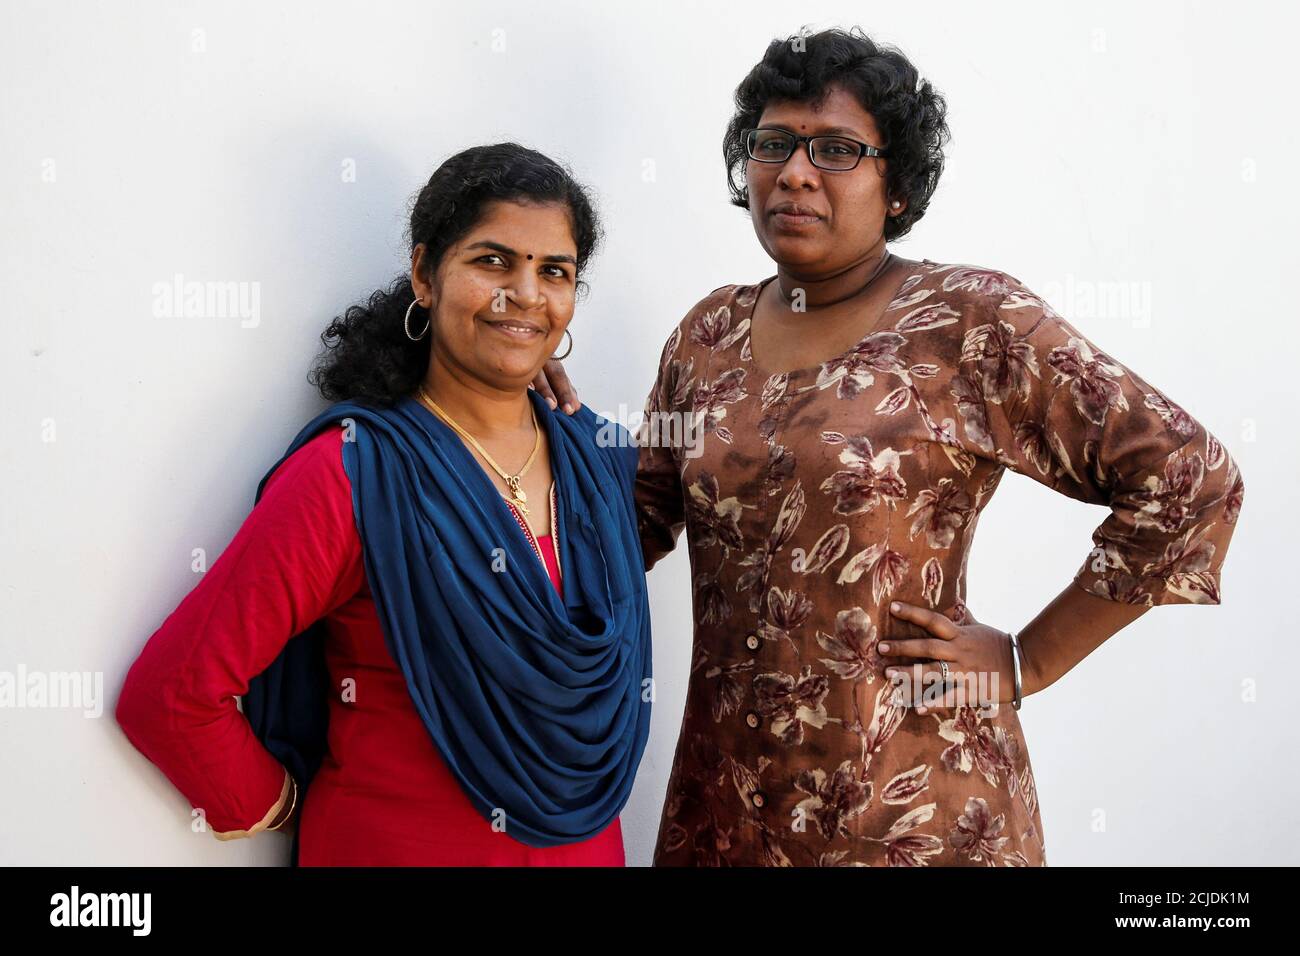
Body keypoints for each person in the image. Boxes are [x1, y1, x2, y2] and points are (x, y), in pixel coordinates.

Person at [532, 27, 1245, 866]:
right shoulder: (709, 332)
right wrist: (532, 423)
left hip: (914, 808)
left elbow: (1190, 479)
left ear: (897, 185)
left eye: (836, 149)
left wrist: (1027, 660)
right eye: (773, 144)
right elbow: (637, 520)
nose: (795, 172)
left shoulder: (967, 321)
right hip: (728, 808)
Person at [116, 143, 653, 866]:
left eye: (553, 271)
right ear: (426, 275)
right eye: (492, 261)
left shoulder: (600, 460)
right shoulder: (353, 475)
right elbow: (173, 694)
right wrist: (269, 802)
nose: (525, 293)